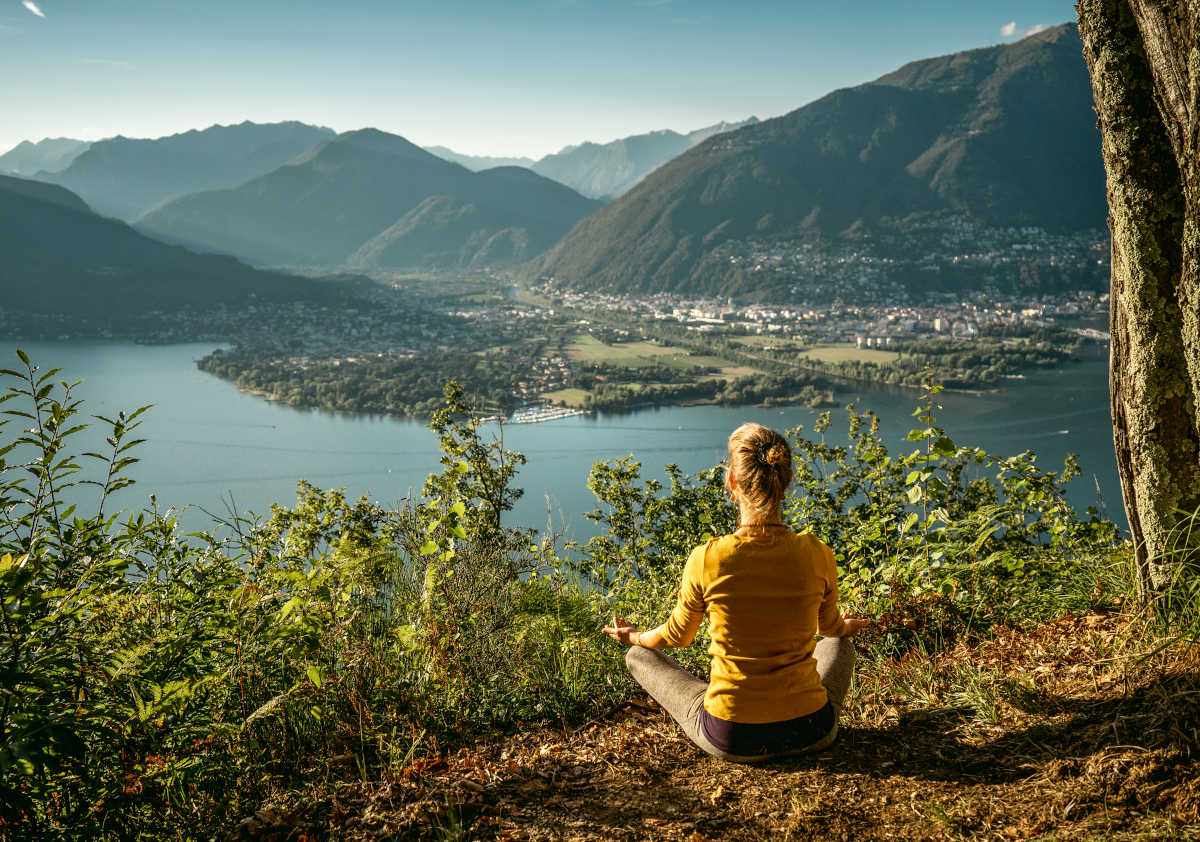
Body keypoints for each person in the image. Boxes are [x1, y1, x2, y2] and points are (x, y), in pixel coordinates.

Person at [602, 422, 870, 762]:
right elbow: (829, 629)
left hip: (731, 736)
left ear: (732, 483)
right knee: (839, 642)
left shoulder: (708, 558)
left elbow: (676, 636)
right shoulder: (816, 553)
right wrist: (849, 627)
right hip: (811, 730)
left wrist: (634, 636)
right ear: (786, 481)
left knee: (639, 655)